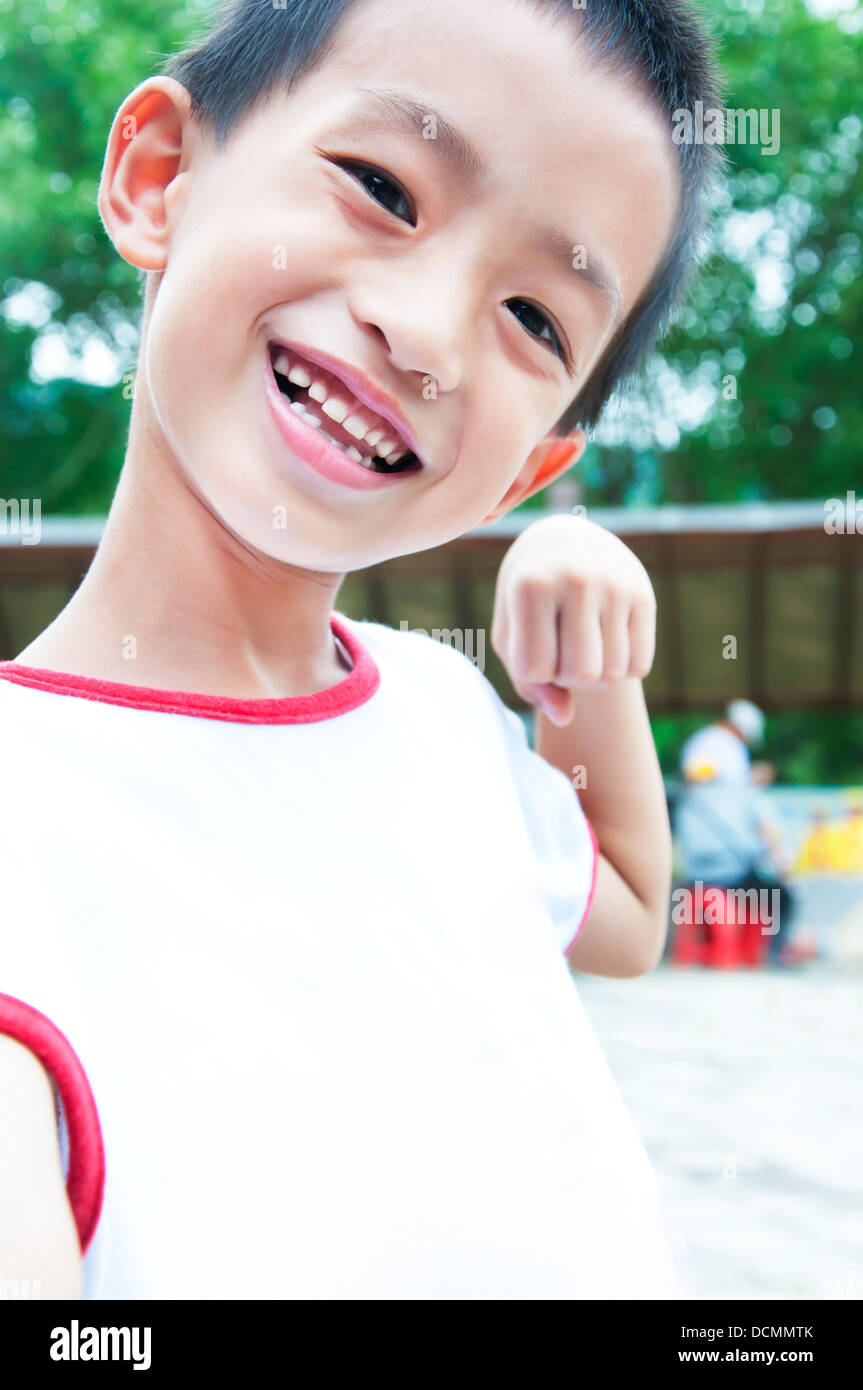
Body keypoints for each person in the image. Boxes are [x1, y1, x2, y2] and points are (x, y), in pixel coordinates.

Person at [0, 0, 722, 1299]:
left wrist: (591, 649)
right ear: (160, 177)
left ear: (532, 466)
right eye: (382, 185)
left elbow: (619, 910)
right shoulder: (25, 815)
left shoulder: (444, 709)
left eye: (534, 318)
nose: (428, 336)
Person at [675, 703, 796, 966]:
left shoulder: (707, 760)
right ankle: (771, 955)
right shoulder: (714, 753)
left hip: (699, 866)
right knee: (781, 893)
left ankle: (737, 953)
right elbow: (759, 824)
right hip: (725, 868)